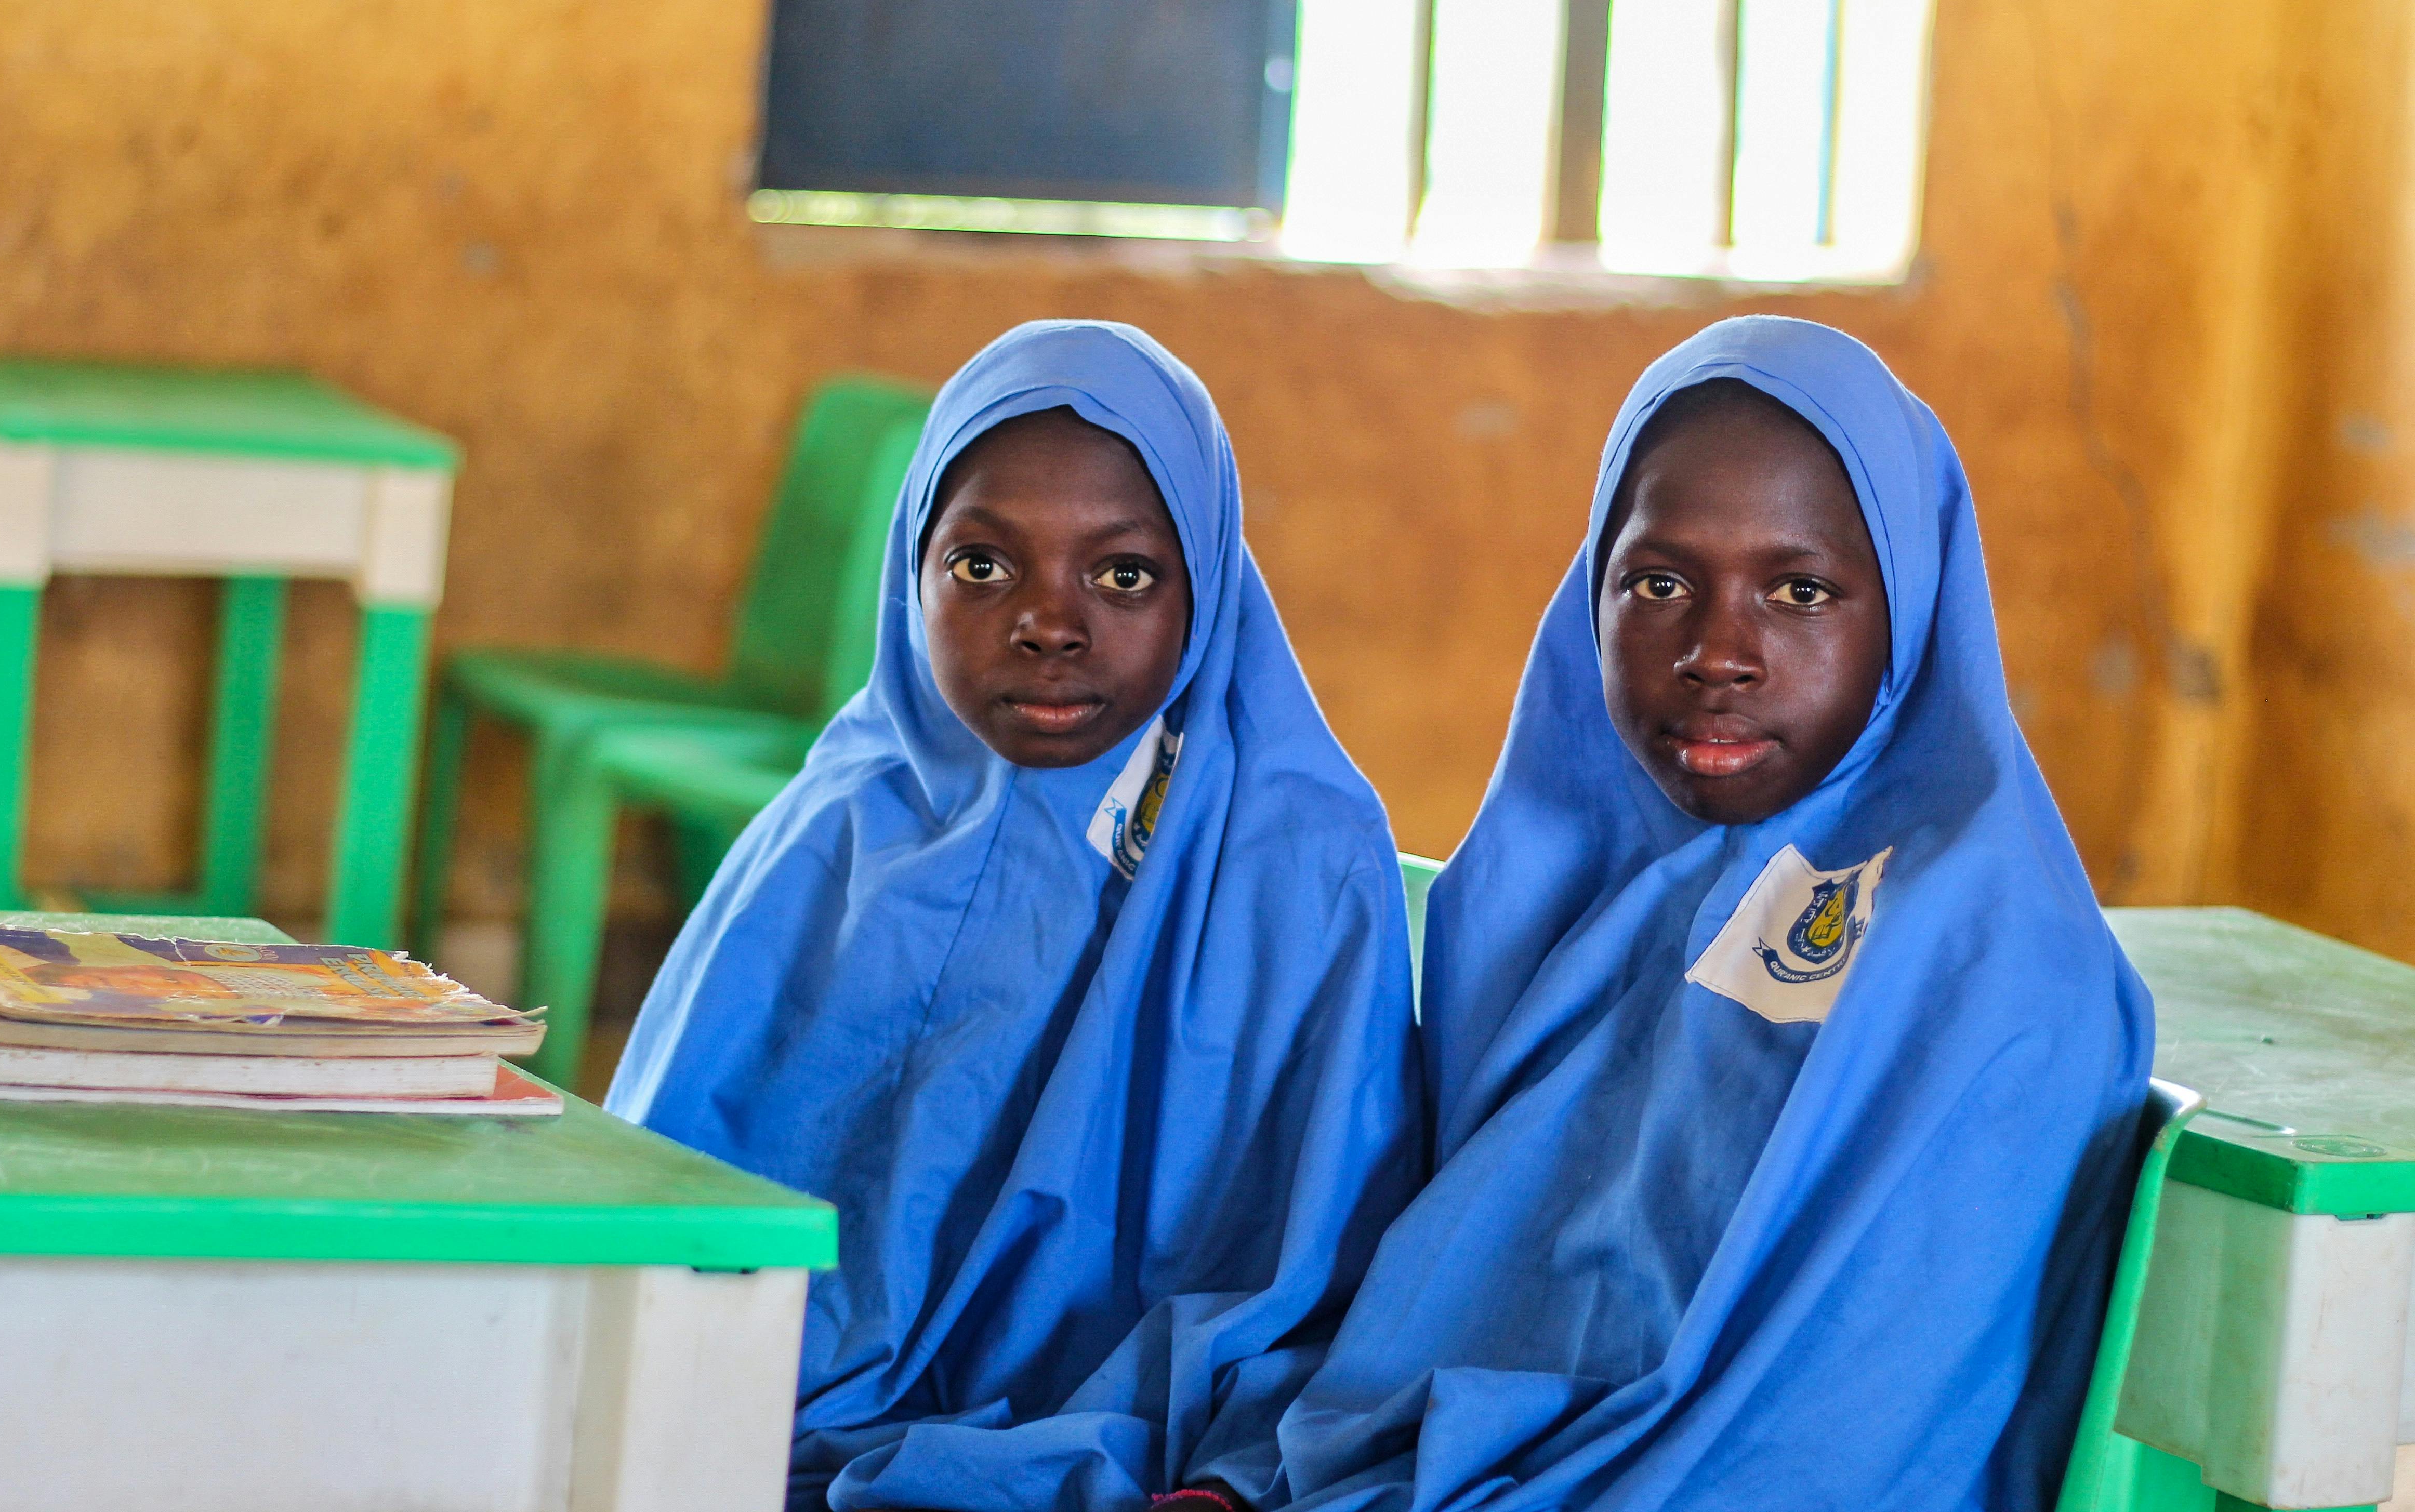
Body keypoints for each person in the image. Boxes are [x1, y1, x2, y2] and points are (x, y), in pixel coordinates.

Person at [1166, 315, 2153, 1512]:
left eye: (1800, 590)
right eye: (1660, 582)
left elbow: (1828, 1436)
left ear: (1911, 607)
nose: (1718, 651)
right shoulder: (1568, 891)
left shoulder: (1975, 952)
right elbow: (1432, 1296)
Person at [610, 320, 1423, 1512]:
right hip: (755, 1407)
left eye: (1125, 575)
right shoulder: (838, 825)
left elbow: (1314, 1271)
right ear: (912, 573)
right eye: (984, 568)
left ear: (1210, 581)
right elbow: (669, 1184)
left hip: (1120, 1430)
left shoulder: (1294, 859)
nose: (1052, 622)